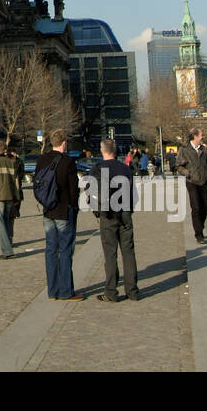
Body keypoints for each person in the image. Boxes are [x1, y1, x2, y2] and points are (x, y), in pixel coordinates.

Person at [35, 129, 83, 300]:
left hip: (48, 210)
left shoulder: (42, 160)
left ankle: (52, 290)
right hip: (64, 210)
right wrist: (75, 208)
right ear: (64, 143)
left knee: (50, 250)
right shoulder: (68, 162)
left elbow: (38, 185)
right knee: (65, 250)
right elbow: (73, 189)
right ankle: (65, 290)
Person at [91, 138, 139, 302]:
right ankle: (132, 290)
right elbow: (134, 194)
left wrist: (98, 212)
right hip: (124, 212)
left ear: (102, 150)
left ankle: (111, 291)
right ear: (115, 150)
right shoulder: (125, 169)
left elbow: (92, 194)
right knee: (128, 252)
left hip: (108, 214)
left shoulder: (98, 169)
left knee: (110, 254)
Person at [175, 128, 207, 244]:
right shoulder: (184, 150)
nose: (203, 137)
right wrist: (187, 173)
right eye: (201, 135)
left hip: (204, 181)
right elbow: (178, 166)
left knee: (204, 208)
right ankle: (199, 234)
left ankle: (200, 226)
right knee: (196, 207)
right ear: (195, 136)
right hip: (192, 182)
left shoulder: (204, 149)